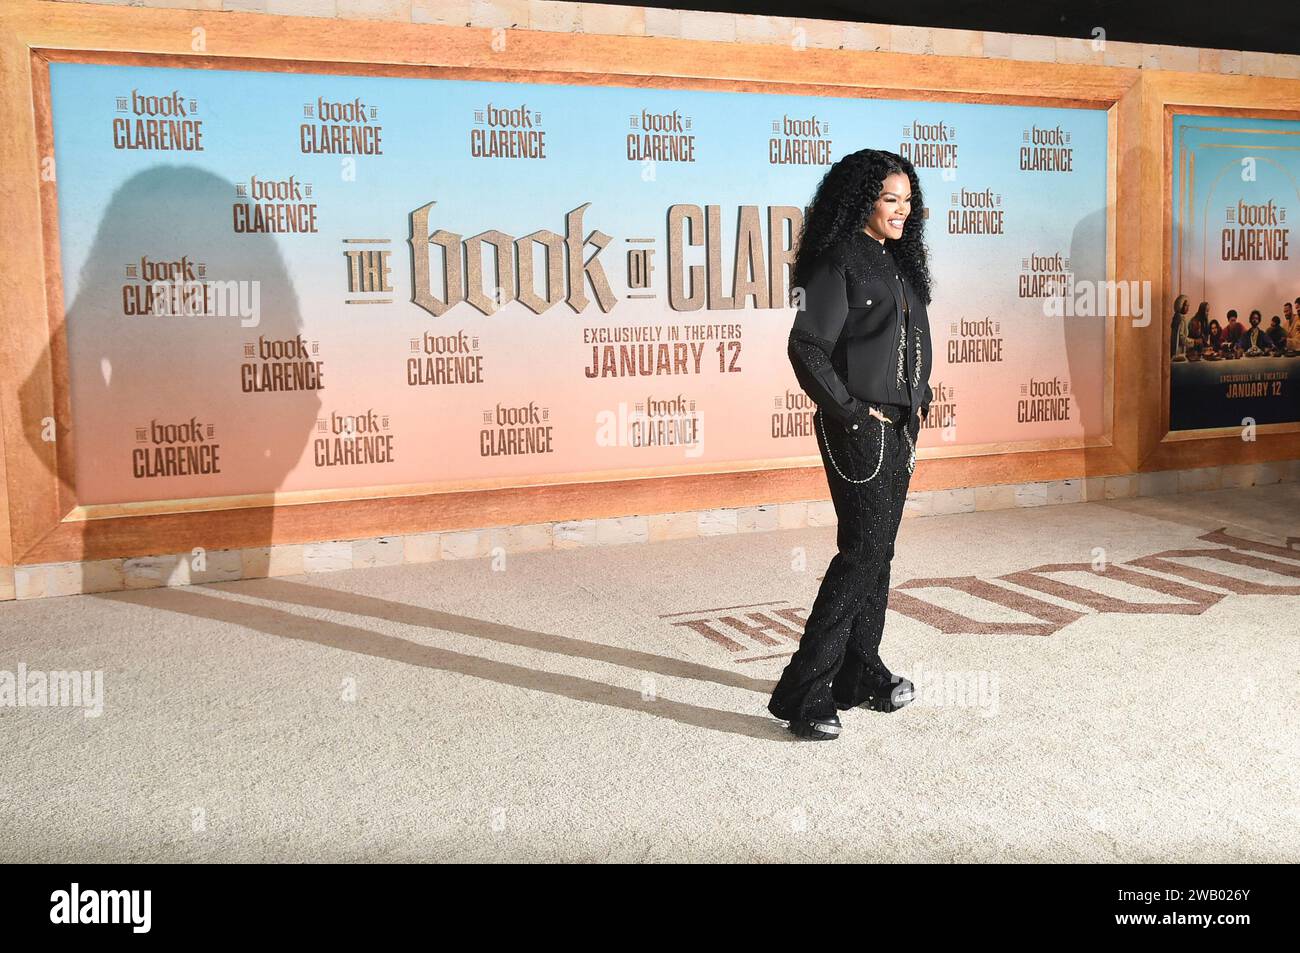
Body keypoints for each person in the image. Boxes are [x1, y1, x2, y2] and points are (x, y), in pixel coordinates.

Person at [768, 149, 934, 741]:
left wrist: (919, 397)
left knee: (879, 552)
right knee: (863, 550)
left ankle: (860, 672)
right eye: (890, 198)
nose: (901, 210)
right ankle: (803, 689)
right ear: (861, 199)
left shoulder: (898, 262)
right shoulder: (837, 261)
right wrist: (853, 415)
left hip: (901, 427)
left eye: (908, 200)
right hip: (859, 430)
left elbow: (905, 339)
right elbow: (807, 346)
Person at [1170, 294, 1189, 359]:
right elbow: (1181, 338)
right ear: (1180, 305)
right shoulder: (1180, 319)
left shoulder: (1177, 316)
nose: (1188, 308)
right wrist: (1194, 342)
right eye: (1186, 305)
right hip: (1178, 352)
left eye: (1188, 306)